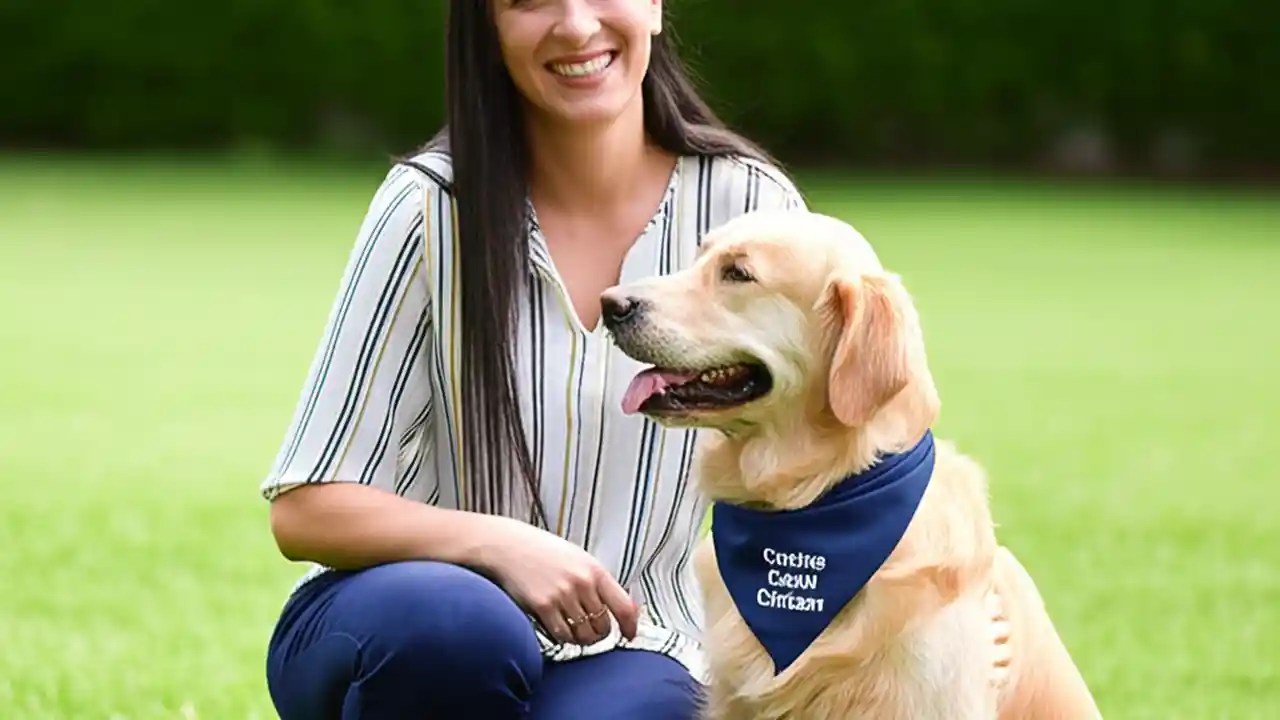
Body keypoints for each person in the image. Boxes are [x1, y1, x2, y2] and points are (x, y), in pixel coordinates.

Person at [260, 1, 805, 718]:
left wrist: (980, 606)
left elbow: (838, 449)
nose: (576, 26)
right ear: (485, 25)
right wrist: (495, 546)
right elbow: (307, 506)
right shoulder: (430, 207)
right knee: (460, 630)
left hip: (641, 642)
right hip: (404, 622)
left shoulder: (752, 212)